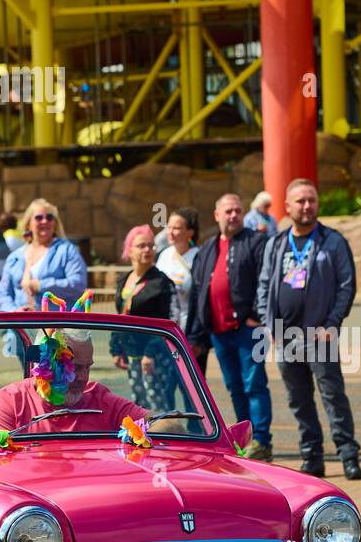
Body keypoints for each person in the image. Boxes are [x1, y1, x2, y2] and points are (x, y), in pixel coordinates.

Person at [257, 179, 361, 480]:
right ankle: (311, 456)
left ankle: (348, 456)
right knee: (298, 399)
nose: (306, 206)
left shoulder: (333, 241)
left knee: (332, 396)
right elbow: (264, 286)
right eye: (300, 201)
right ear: (288, 207)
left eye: (311, 200)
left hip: (320, 336)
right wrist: (268, 325)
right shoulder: (276, 243)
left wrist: (331, 324)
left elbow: (346, 286)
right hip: (285, 336)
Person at [187, 192, 272, 461]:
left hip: (248, 331)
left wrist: (257, 315)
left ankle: (260, 440)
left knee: (254, 384)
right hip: (219, 333)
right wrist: (196, 334)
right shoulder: (206, 249)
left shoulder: (256, 242)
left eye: (237, 210)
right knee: (234, 387)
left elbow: (265, 281)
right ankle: (245, 438)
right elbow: (198, 292)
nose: (233, 215)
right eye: (228, 211)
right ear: (217, 215)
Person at [0, 328, 156, 436]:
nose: (83, 378)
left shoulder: (99, 399)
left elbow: (168, 425)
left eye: (88, 367)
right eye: (75, 367)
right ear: (46, 363)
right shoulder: (8, 403)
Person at [110, 224, 176, 411]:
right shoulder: (124, 280)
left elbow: (167, 322)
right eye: (141, 246)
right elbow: (121, 315)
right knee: (139, 404)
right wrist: (115, 348)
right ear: (129, 250)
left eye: (151, 245)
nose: (147, 250)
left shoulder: (161, 283)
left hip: (154, 355)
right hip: (132, 353)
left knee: (158, 404)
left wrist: (151, 352)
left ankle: (166, 439)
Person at [0, 198, 87, 310]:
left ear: (55, 223)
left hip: (59, 325)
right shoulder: (14, 257)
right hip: (21, 326)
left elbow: (78, 284)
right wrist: (14, 311)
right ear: (29, 223)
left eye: (49, 217)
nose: (45, 221)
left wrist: (41, 285)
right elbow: (3, 295)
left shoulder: (67, 250)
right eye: (39, 218)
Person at [157, 207, 209, 376]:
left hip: (189, 336)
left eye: (177, 228)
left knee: (192, 392)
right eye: (169, 227)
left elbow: (204, 301)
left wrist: (197, 339)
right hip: (165, 335)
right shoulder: (164, 255)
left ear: (190, 233)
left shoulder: (200, 257)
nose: (170, 232)